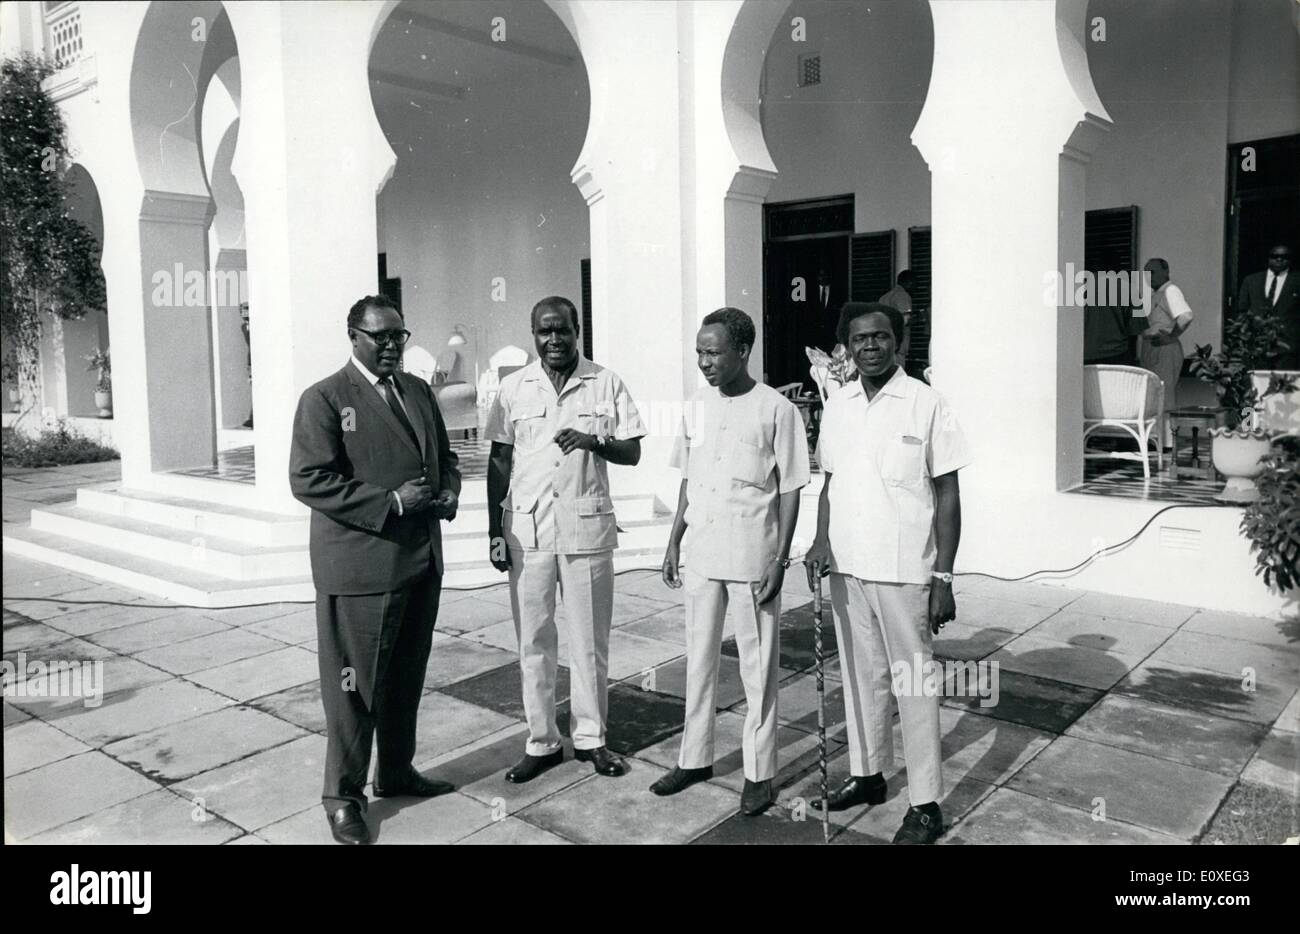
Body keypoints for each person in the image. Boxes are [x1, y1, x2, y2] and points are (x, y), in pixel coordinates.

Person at [289, 294, 461, 845]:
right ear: (354, 336)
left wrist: (450, 487)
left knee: (405, 678)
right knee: (353, 688)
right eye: (379, 336)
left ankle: (396, 771)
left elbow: (445, 457)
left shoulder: (417, 392)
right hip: (362, 572)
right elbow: (308, 479)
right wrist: (392, 502)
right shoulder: (323, 398)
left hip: (419, 563)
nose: (391, 345)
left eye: (398, 336)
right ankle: (343, 798)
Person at [804, 301, 970, 845]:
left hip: (905, 572)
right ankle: (869, 773)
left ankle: (925, 804)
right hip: (847, 568)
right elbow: (830, 482)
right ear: (846, 348)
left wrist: (943, 578)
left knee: (914, 686)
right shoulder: (839, 404)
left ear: (897, 341)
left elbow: (947, 492)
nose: (869, 346)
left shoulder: (926, 403)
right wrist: (818, 540)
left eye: (879, 336)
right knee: (860, 678)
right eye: (859, 339)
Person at [486, 296, 646, 783]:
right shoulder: (513, 388)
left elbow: (633, 451)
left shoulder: (606, 382)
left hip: (586, 529)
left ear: (579, 331)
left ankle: (592, 738)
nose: (554, 339)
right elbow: (498, 459)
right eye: (544, 331)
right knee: (533, 640)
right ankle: (541, 741)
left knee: (588, 640)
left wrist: (594, 441)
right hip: (527, 530)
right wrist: (494, 530)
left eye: (563, 330)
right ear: (533, 334)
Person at [656, 308, 810, 816]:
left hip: (751, 557)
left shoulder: (776, 410)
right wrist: (673, 539)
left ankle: (759, 773)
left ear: (743, 351)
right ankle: (694, 757)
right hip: (701, 553)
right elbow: (688, 480)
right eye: (699, 352)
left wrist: (780, 559)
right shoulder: (696, 406)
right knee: (697, 663)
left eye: (713, 352)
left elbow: (790, 490)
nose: (704, 362)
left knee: (757, 671)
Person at [1137, 258, 1193, 419]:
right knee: (1151, 395)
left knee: (1164, 394)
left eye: (1153, 272)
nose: (1149, 277)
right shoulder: (1154, 294)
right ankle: (1154, 438)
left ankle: (1167, 441)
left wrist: (1171, 336)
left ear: (1166, 271)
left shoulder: (1171, 290)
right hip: (1150, 347)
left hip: (1164, 348)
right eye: (1146, 273)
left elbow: (1186, 316)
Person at [1236, 244, 1298, 370]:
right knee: (1257, 386)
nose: (1279, 260)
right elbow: (1242, 312)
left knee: (1286, 388)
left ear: (1290, 259)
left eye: (1284, 257)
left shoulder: (1297, 280)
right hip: (1256, 348)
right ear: (1268, 258)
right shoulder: (1251, 281)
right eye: (1275, 256)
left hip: (1289, 350)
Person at [879, 270, 916, 369]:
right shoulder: (903, 295)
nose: (915, 287)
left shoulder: (884, 297)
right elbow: (905, 320)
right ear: (908, 282)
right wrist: (918, 319)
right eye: (914, 283)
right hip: (898, 343)